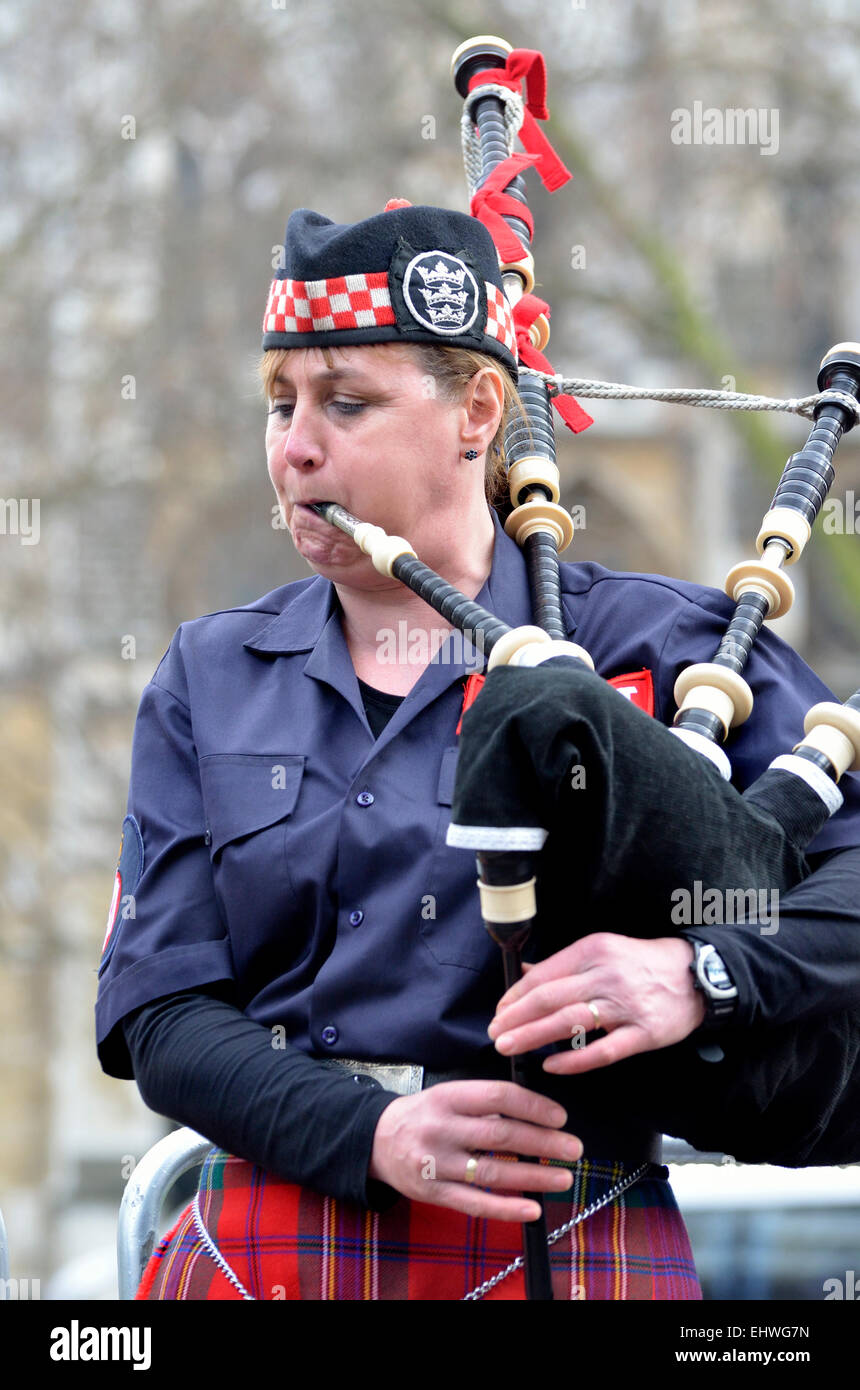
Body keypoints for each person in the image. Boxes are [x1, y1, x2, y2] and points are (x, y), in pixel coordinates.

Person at [95, 202, 860, 1301]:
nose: (295, 444)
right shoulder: (210, 675)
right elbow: (160, 1013)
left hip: (568, 1230)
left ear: (477, 410)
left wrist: (701, 969)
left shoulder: (661, 652)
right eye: (280, 405)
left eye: (346, 403)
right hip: (263, 1237)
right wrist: (374, 1130)